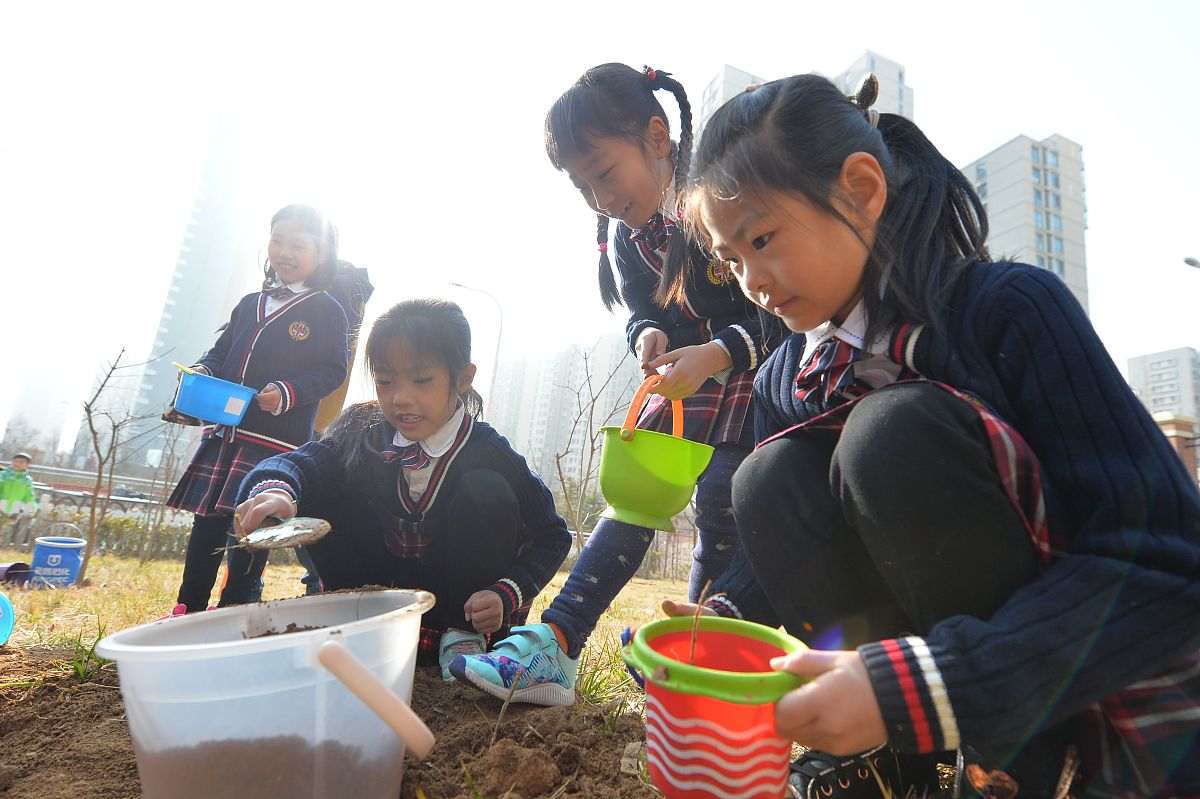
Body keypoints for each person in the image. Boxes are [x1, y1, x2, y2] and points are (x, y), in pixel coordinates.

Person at [668, 73, 1200, 798]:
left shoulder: (1009, 311)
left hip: (1070, 679)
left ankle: (1020, 763)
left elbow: (1163, 565)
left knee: (888, 435)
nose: (753, 281)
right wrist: (726, 612)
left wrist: (928, 682)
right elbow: (805, 534)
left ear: (861, 188)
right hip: (921, 688)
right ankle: (893, 774)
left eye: (762, 238)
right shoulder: (784, 378)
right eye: (732, 259)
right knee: (766, 477)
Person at [451, 63, 780, 706]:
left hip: (755, 380)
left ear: (658, 136)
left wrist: (715, 353)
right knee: (631, 499)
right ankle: (558, 639)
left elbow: (779, 303)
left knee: (723, 503)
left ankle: (696, 658)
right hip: (685, 385)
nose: (597, 197)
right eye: (581, 186)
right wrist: (647, 337)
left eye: (603, 173)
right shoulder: (630, 241)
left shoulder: (724, 196)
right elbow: (641, 308)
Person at [233, 299, 572, 680]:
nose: (401, 398)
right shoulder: (362, 431)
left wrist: (505, 593)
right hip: (378, 596)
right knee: (323, 485)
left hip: (460, 610)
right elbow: (296, 464)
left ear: (462, 378)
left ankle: (460, 643)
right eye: (385, 380)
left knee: (485, 489)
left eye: (421, 379)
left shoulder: (487, 450)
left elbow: (552, 535)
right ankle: (354, 621)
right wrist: (278, 493)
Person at [166, 204, 349, 613]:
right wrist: (201, 371)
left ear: (322, 255)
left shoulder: (326, 310)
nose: (284, 252)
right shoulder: (250, 303)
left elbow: (332, 370)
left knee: (254, 528)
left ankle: (234, 611)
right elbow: (221, 352)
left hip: (273, 441)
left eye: (298, 245)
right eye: (277, 241)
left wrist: (287, 391)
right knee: (207, 524)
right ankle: (187, 608)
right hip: (226, 432)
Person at [1, 452, 39, 545]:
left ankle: (3, 549)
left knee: (8, 530)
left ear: (27, 465)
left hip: (14, 508)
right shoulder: (3, 475)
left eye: (21, 462)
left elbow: (29, 495)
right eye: (15, 461)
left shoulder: (27, 480)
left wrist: (32, 507)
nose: (17, 464)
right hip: (1, 504)